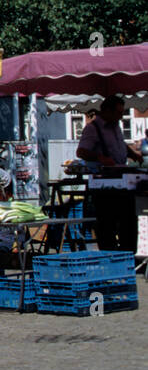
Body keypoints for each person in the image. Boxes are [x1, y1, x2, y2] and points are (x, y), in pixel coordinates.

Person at [76, 95, 142, 252]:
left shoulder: (116, 127)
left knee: (128, 223)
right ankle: (110, 258)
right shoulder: (93, 129)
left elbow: (120, 145)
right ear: (106, 111)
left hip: (122, 183)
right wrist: (100, 158)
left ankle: (127, 257)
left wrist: (133, 154)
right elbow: (81, 151)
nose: (120, 116)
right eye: (118, 113)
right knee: (107, 225)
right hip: (105, 186)